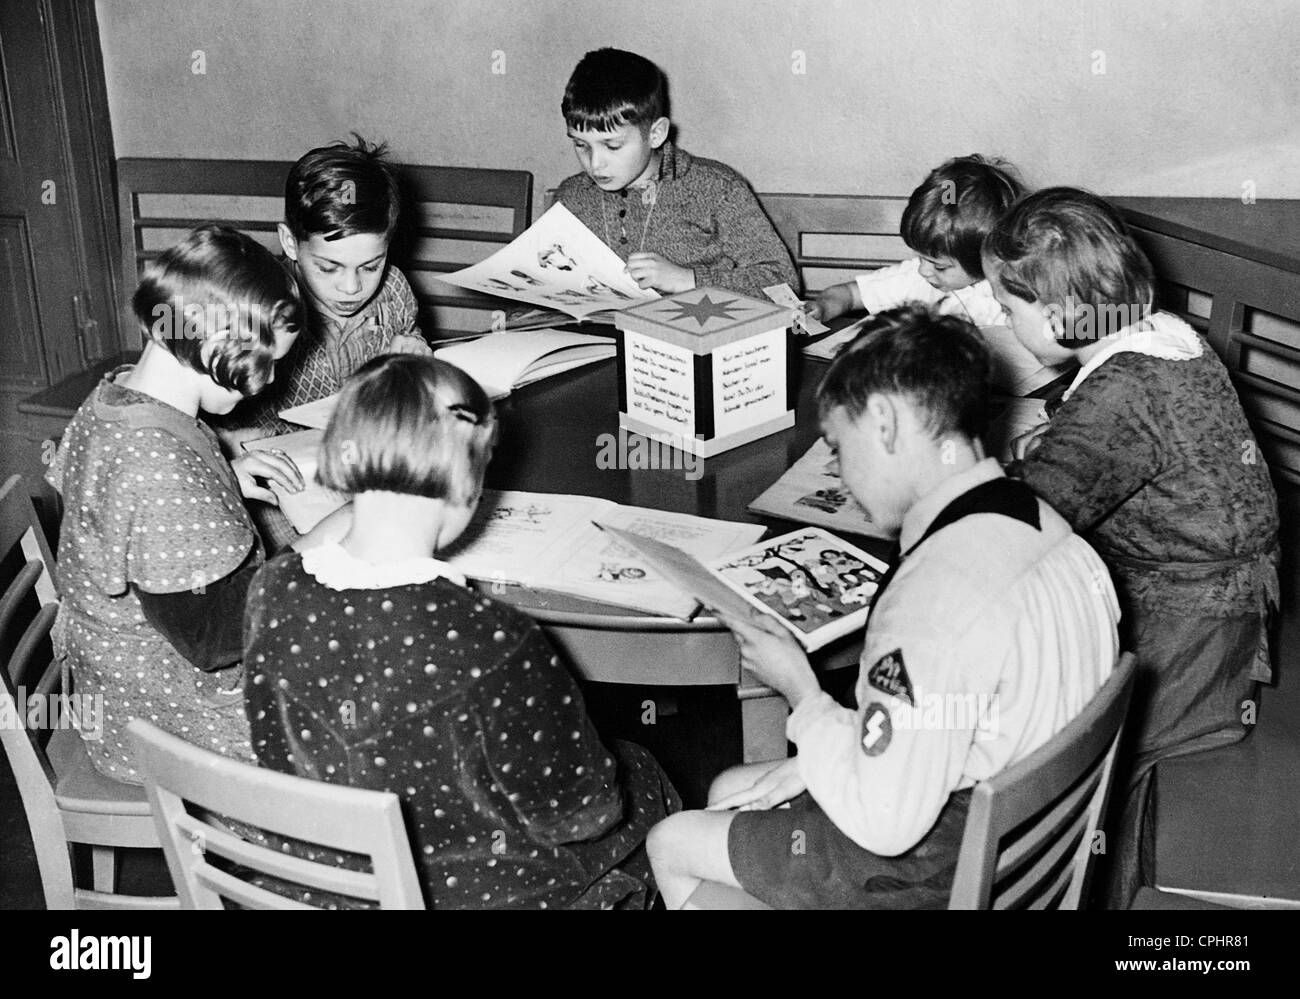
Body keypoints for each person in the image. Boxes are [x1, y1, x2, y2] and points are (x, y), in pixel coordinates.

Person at [645, 306, 1120, 909]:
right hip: (1017, 840)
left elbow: (886, 824)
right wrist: (825, 751)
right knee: (735, 787)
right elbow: (959, 716)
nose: (840, 475)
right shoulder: (1048, 526)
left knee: (672, 839)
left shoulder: (928, 602)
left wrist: (804, 694)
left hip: (936, 872)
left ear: (886, 424)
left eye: (839, 449)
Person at [242, 354, 680, 909]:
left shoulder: (272, 587)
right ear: (469, 485)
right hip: (476, 895)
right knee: (643, 774)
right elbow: (578, 816)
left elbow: (271, 746)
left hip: (317, 884)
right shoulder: (496, 639)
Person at [983, 187, 1280, 905]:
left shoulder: (1125, 388)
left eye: (1008, 305)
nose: (1000, 317)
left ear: (1058, 314)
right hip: (1222, 604)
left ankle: (1082, 892)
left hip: (1194, 629)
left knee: (1067, 743)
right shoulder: (1159, 336)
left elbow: (1025, 525)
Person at [45, 224, 319, 783]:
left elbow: (118, 501)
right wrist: (319, 547)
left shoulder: (116, 397)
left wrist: (222, 477)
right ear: (219, 346)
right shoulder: (156, 466)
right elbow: (211, 639)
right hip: (158, 723)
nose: (266, 384)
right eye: (266, 363)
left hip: (116, 686)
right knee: (374, 708)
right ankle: (300, 861)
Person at [220, 136, 432, 550]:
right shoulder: (258, 310)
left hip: (371, 464)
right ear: (288, 243)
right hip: (280, 488)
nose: (352, 286)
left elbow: (412, 346)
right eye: (329, 266)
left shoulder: (393, 291)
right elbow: (212, 419)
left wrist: (417, 358)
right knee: (308, 569)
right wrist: (230, 449)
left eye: (370, 265)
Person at [554, 47, 796, 299]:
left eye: (612, 145)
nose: (595, 164)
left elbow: (783, 284)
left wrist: (688, 279)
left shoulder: (715, 188)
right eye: (580, 145)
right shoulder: (571, 195)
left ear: (656, 134)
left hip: (699, 332)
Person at [808, 155, 1022, 327]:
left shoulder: (1016, 294)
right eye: (920, 258)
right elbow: (849, 293)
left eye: (940, 266)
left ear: (987, 258)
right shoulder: (916, 279)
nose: (924, 271)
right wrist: (823, 307)